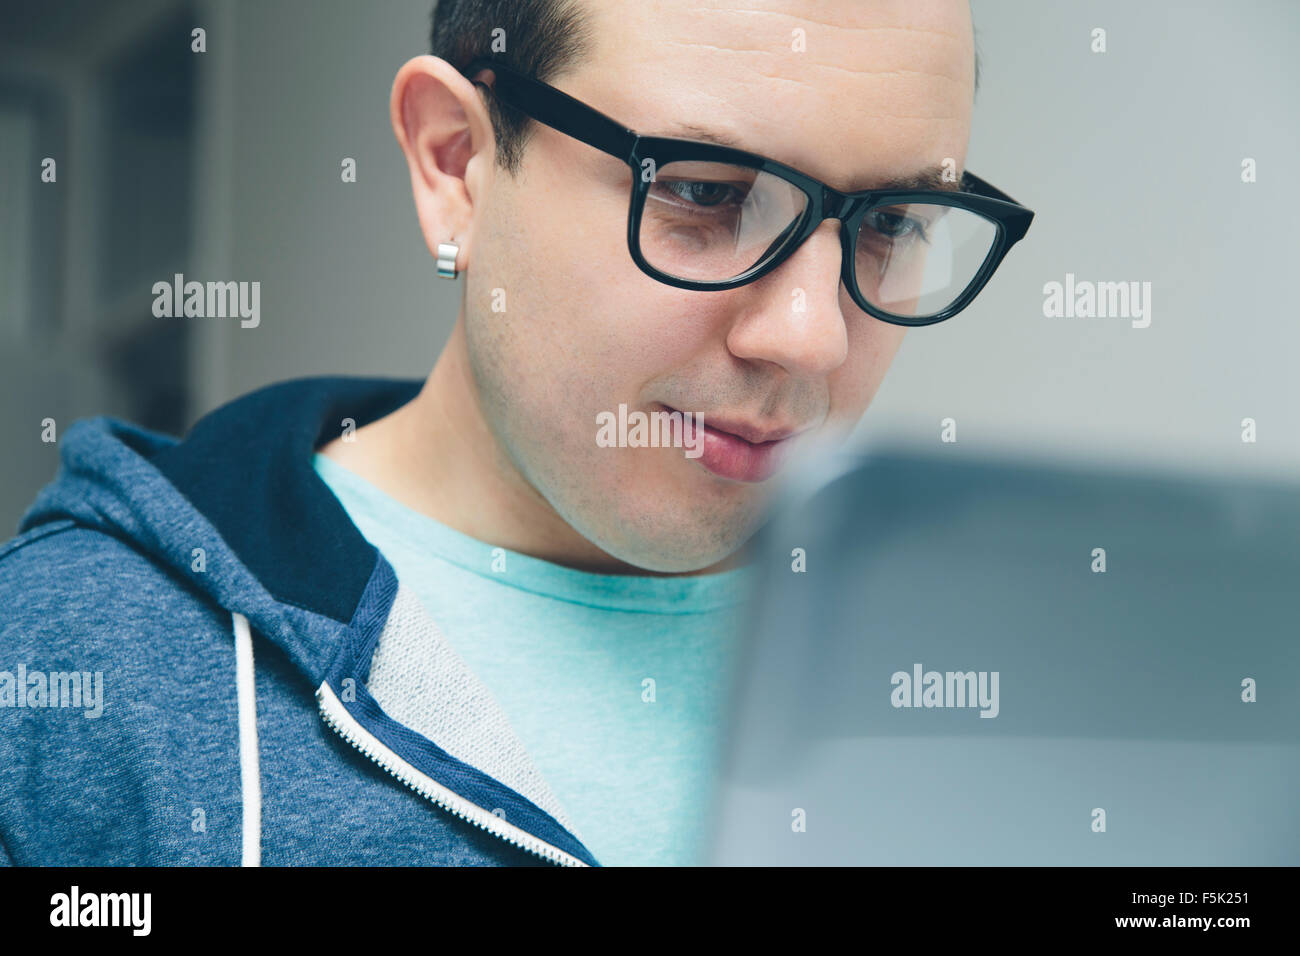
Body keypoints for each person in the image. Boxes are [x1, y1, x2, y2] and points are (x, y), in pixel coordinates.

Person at [0, 0, 1030, 866]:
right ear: (457, 164)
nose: (808, 338)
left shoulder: (992, 679)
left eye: (893, 220)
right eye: (707, 196)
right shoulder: (63, 659)